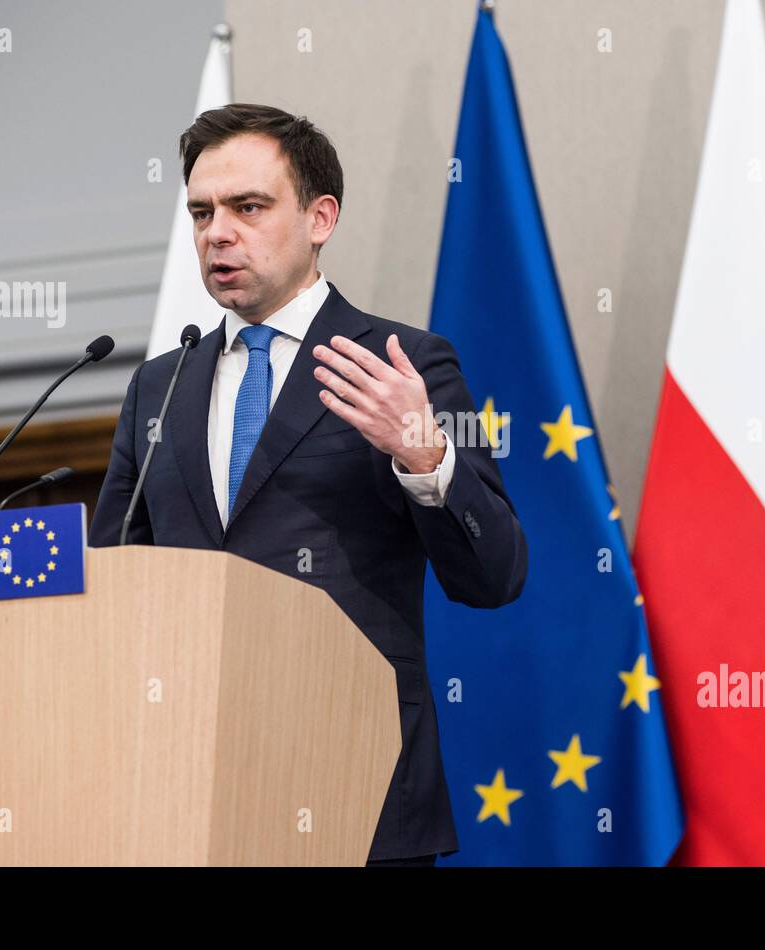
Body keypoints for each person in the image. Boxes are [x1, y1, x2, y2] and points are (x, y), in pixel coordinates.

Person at [89, 104, 528, 864]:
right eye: (201, 212)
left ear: (320, 218)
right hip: (187, 796)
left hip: (354, 791)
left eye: (248, 207)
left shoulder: (402, 365)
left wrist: (424, 456)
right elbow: (114, 585)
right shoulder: (159, 388)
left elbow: (495, 576)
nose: (216, 233)